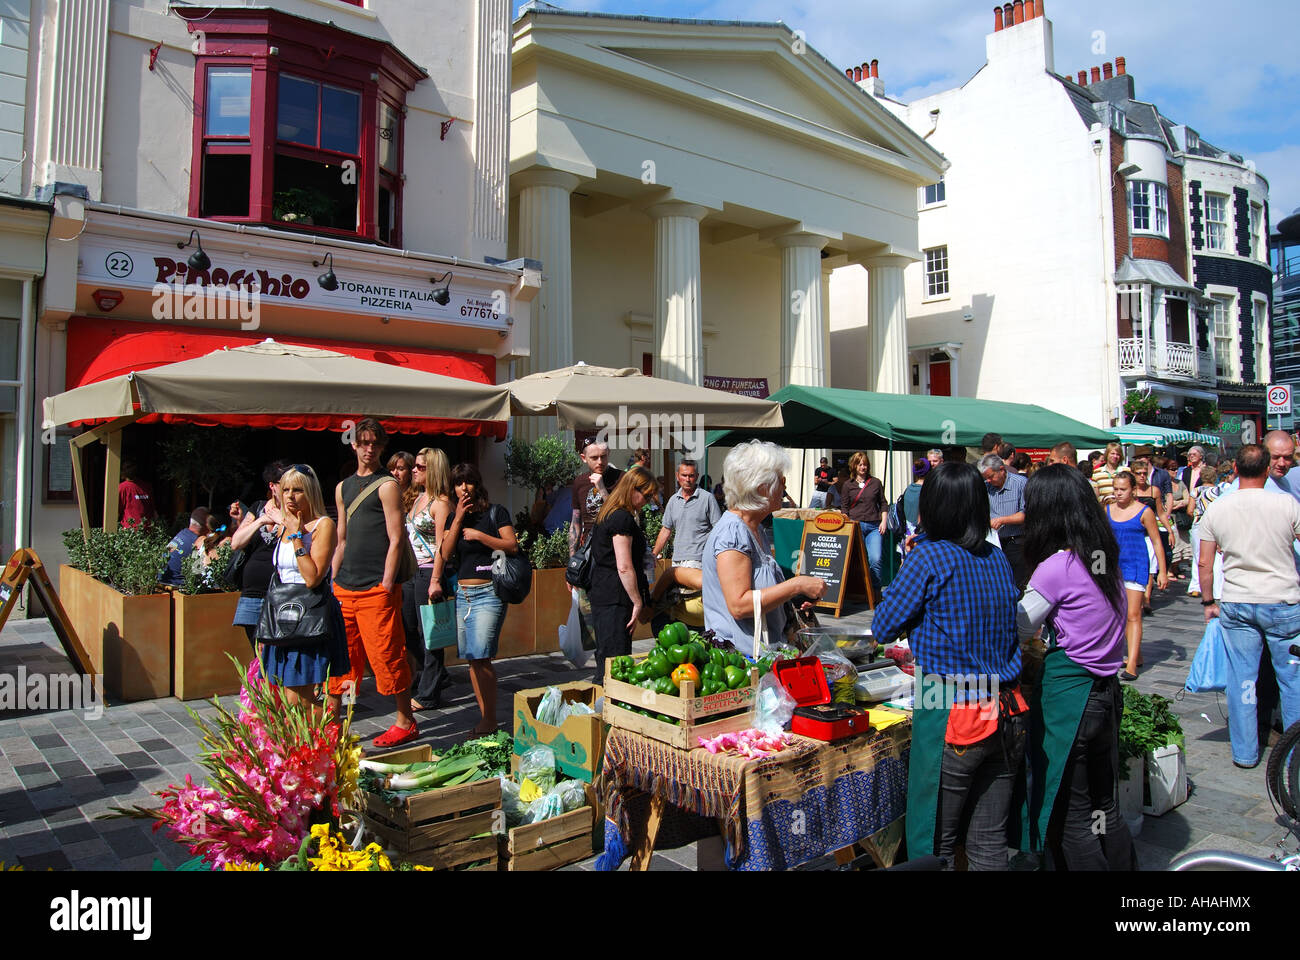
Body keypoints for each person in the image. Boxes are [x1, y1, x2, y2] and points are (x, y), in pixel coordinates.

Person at [869, 462, 1025, 871]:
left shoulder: (929, 557)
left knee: (933, 840)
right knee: (988, 844)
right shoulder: (996, 557)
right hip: (1007, 706)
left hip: (950, 705)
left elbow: (883, 626)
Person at [1016, 465, 1137, 870]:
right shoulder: (1105, 557)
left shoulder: (1057, 566)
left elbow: (1018, 626)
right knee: (1105, 807)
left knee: (1071, 817)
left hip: (1072, 701)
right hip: (1105, 693)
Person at [1198, 443, 1300, 769]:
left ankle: (1245, 753)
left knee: (1242, 680)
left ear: (1236, 470)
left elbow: (1204, 562)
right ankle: (1294, 756)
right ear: (1267, 469)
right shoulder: (1286, 504)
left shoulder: (1218, 508)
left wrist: (1208, 601)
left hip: (1238, 600)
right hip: (1282, 600)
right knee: (1292, 682)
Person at [329, 417, 417, 749]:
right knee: (343, 659)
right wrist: (332, 580)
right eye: (363, 442)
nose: (368, 449)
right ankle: (336, 722)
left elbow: (396, 540)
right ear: (353, 444)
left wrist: (385, 585)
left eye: (374, 443)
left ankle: (405, 721)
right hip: (344, 587)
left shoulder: (387, 485)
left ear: (382, 447)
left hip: (375, 590)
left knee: (387, 655)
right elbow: (341, 539)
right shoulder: (342, 488)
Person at [702, 441, 826, 651]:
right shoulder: (732, 534)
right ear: (761, 488)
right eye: (781, 479)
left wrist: (795, 595)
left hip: (764, 654)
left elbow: (760, 590)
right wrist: (796, 585)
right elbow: (739, 605)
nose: (785, 486)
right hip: (741, 662)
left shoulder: (753, 528)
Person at [257, 464, 349, 710]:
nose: (289, 496)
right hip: (283, 618)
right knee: (286, 698)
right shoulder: (284, 526)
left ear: (310, 492)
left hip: (310, 617)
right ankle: (295, 746)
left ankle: (316, 745)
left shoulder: (323, 525)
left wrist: (297, 536)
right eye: (285, 489)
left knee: (305, 698)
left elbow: (313, 578)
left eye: (297, 490)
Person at [440, 462, 518, 735]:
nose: (464, 488)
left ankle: (490, 718)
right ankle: (485, 717)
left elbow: (512, 545)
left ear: (477, 485)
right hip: (463, 595)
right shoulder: (454, 518)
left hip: (489, 592)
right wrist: (459, 519)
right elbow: (446, 553)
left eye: (469, 482)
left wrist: (480, 536)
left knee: (482, 656)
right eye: (459, 483)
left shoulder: (495, 513)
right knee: (472, 658)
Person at [588, 467, 661, 682]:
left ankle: (604, 706)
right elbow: (624, 566)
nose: (647, 501)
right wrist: (637, 601)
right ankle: (606, 710)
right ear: (632, 489)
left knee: (607, 658)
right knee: (615, 662)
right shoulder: (621, 519)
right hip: (615, 597)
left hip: (604, 593)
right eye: (646, 495)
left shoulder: (610, 511)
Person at [401, 448, 454, 711]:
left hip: (428, 572)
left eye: (420, 467)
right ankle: (434, 675)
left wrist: (435, 579)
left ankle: (428, 693)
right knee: (408, 629)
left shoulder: (441, 503)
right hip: (410, 572)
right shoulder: (417, 498)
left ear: (433, 470)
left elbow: (442, 544)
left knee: (430, 634)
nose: (413, 470)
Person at [1106, 470, 1167, 681]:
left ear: (1133, 490)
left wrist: (1162, 571)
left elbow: (1157, 541)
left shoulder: (1144, 511)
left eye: (1123, 489)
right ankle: (1136, 653)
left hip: (1136, 565)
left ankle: (1131, 663)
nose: (1118, 493)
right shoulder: (1107, 510)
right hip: (1113, 567)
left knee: (1133, 614)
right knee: (1119, 615)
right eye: (1115, 489)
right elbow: (1101, 541)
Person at [649, 459, 722, 626]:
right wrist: (653, 554)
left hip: (699, 561)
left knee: (696, 606)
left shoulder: (707, 499)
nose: (688, 479)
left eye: (691, 476)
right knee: (678, 605)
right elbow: (666, 530)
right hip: (678, 561)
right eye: (684, 475)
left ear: (696, 476)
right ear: (677, 476)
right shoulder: (673, 501)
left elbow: (719, 531)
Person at [229, 461, 290, 647]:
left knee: (276, 652)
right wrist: (261, 520)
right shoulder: (257, 508)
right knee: (258, 655)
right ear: (272, 486)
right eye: (284, 483)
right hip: (252, 594)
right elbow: (236, 543)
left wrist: (282, 521)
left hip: (280, 593)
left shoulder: (295, 512)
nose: (290, 488)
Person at [979, 453, 1028, 590]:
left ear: (1002, 470)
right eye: (986, 478)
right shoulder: (985, 487)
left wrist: (1002, 520)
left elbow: (1027, 514)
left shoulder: (1020, 483)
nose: (988, 481)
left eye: (991, 476)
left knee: (1018, 584)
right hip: (993, 543)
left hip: (1015, 543)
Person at [841, 451, 887, 590]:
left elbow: (883, 503)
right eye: (860, 464)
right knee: (858, 561)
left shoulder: (875, 482)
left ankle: (875, 590)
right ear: (854, 466)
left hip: (874, 525)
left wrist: (884, 521)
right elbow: (844, 508)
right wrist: (848, 523)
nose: (863, 467)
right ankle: (861, 590)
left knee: (875, 558)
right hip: (856, 525)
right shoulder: (847, 485)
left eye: (865, 464)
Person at [1130, 458, 1171, 612]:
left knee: (1150, 566)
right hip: (1135, 533)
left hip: (1149, 532)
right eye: (1139, 473)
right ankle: (1138, 597)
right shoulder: (1130, 491)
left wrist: (1170, 530)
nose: (1142, 476)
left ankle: (1146, 598)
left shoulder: (1154, 490)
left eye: (1144, 473)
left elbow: (1160, 512)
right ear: (1133, 474)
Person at [159, 508, 210, 586]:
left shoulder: (182, 533)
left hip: (161, 582)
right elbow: (197, 571)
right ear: (208, 526)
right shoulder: (199, 542)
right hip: (176, 587)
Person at [118, 461, 157, 529]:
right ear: (122, 471)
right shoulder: (121, 488)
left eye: (131, 466)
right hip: (131, 533)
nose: (130, 469)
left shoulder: (146, 487)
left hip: (148, 531)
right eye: (127, 467)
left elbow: (153, 510)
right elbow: (117, 512)